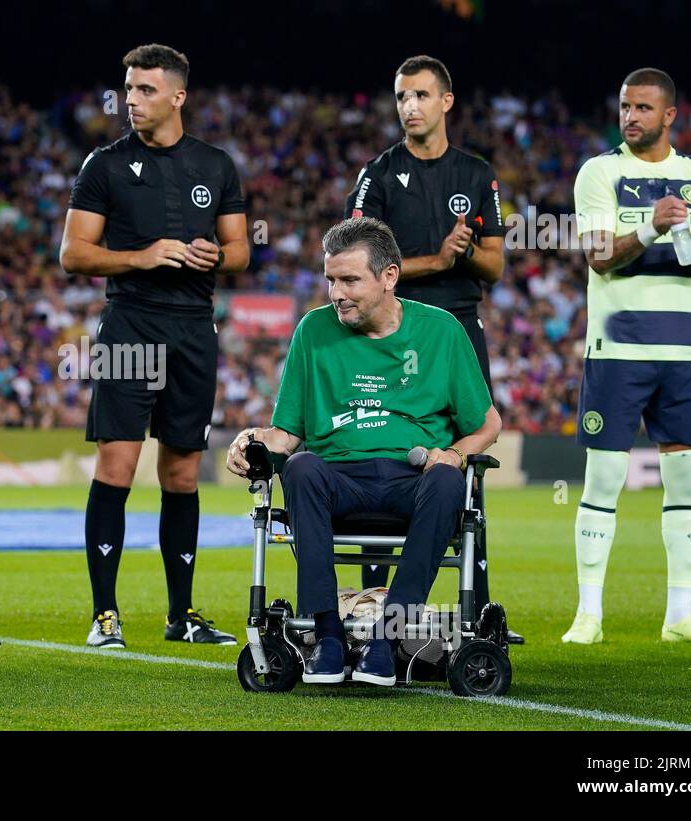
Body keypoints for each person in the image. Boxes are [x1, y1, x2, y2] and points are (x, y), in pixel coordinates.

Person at [225, 217, 502, 686]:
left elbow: (488, 424)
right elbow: (286, 434)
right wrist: (251, 439)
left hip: (413, 481)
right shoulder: (313, 331)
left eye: (350, 280)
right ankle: (328, 638)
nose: (336, 292)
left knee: (447, 478)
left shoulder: (441, 331)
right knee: (301, 466)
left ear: (389, 276)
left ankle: (386, 639)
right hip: (338, 481)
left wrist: (454, 455)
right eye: (331, 279)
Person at [61, 43, 249, 649]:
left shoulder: (216, 165)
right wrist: (141, 256)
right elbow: (73, 255)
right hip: (130, 324)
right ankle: (104, 616)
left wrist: (213, 255)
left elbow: (241, 251)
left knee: (183, 473)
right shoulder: (105, 165)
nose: (131, 100)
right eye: (128, 88)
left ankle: (182, 614)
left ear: (177, 96)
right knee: (117, 465)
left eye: (144, 90)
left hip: (194, 328)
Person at [563, 67, 691, 646]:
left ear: (669, 116)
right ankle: (589, 614)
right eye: (624, 107)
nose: (630, 117)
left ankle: (681, 615)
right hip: (617, 349)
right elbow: (598, 255)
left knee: (687, 482)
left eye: (641, 108)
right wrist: (655, 230)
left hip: (684, 352)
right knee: (603, 477)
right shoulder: (600, 172)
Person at [343, 55, 508, 628]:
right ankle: (371, 605)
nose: (408, 107)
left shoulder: (475, 173)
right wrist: (438, 258)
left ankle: (478, 608)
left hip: (458, 328)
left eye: (419, 96)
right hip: (391, 332)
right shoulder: (379, 175)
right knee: (379, 453)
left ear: (446, 102)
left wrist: (468, 253)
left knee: (470, 461)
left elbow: (494, 265)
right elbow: (359, 265)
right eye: (401, 97)